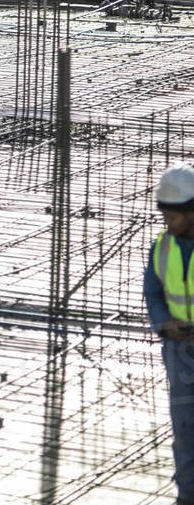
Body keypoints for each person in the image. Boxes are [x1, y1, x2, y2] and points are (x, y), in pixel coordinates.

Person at [144, 163, 194, 504]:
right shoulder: (162, 247)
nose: (167, 223)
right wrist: (164, 323)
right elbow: (153, 293)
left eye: (172, 216)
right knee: (186, 431)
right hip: (179, 352)